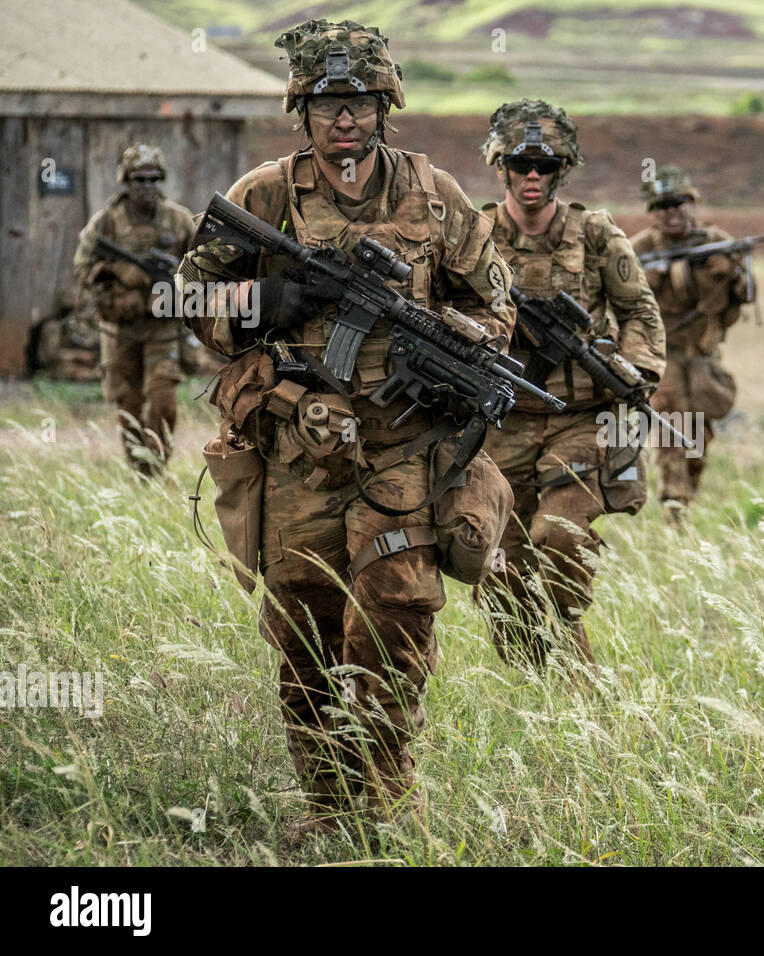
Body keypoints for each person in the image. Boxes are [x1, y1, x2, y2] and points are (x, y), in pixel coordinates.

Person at [179, 19, 515, 828]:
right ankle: (327, 802)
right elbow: (187, 297)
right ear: (303, 108)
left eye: (360, 101)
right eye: (328, 102)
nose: (345, 119)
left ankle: (389, 796)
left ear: (384, 105)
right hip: (300, 449)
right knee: (305, 633)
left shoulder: (435, 195)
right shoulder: (265, 195)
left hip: (404, 449)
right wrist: (272, 300)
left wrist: (459, 346)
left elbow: (495, 307)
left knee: (395, 618)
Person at [475, 100, 665, 671]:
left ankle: (573, 664)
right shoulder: (475, 235)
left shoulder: (596, 234)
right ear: (501, 166)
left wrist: (635, 370)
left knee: (557, 538)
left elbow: (641, 312)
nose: (532, 175)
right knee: (499, 566)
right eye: (521, 164)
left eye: (547, 165)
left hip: (581, 420)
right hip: (500, 420)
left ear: (564, 170)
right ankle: (542, 687)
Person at [629, 166, 754, 515]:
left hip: (702, 352)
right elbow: (615, 299)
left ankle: (687, 493)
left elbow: (746, 294)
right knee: (670, 421)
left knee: (699, 433)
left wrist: (732, 274)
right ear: (652, 212)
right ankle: (674, 498)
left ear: (691, 203)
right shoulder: (639, 249)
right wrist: (644, 283)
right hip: (660, 353)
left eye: (677, 203)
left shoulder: (715, 241)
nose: (671, 212)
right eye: (662, 206)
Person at [73, 144, 194, 477]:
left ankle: (156, 469)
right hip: (119, 329)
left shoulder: (178, 220)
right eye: (139, 179)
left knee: (164, 401)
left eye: (154, 179)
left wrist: (179, 282)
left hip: (162, 327)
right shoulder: (106, 224)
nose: (147, 187)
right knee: (128, 407)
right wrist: (116, 271)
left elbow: (203, 263)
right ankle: (140, 471)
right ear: (125, 181)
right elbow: (82, 269)